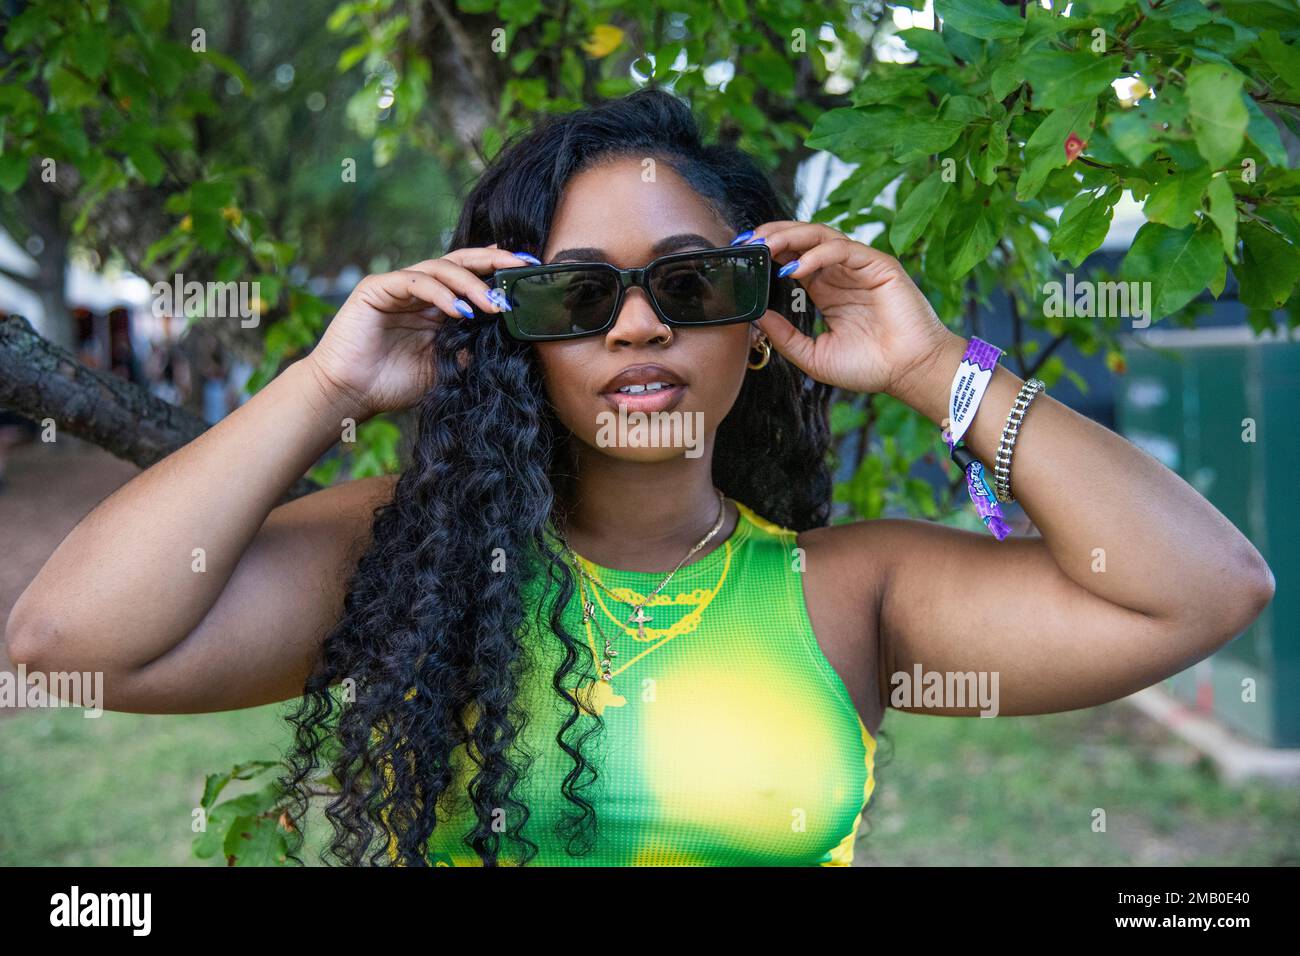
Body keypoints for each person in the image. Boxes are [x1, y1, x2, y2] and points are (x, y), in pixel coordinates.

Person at [5, 90, 1274, 867]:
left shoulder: (853, 593)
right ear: (511, 326)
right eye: (574, 292)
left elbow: (1201, 590)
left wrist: (935, 364)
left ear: (758, 319)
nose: (635, 328)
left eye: (689, 283)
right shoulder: (413, 558)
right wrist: (326, 385)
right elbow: (67, 643)